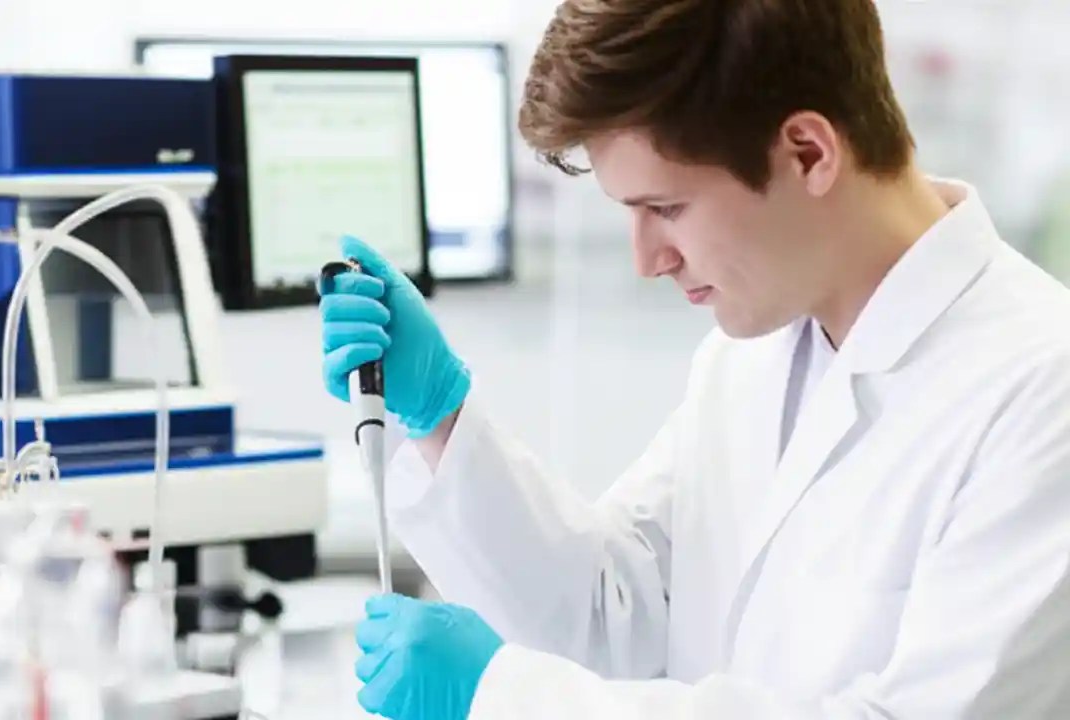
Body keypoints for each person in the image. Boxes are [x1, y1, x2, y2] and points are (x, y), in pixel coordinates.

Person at [318, 0, 1070, 717]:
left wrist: (503, 700)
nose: (647, 259)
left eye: (666, 209)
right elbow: (608, 618)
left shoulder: (1039, 390)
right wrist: (439, 414)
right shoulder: (752, 356)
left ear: (808, 153)